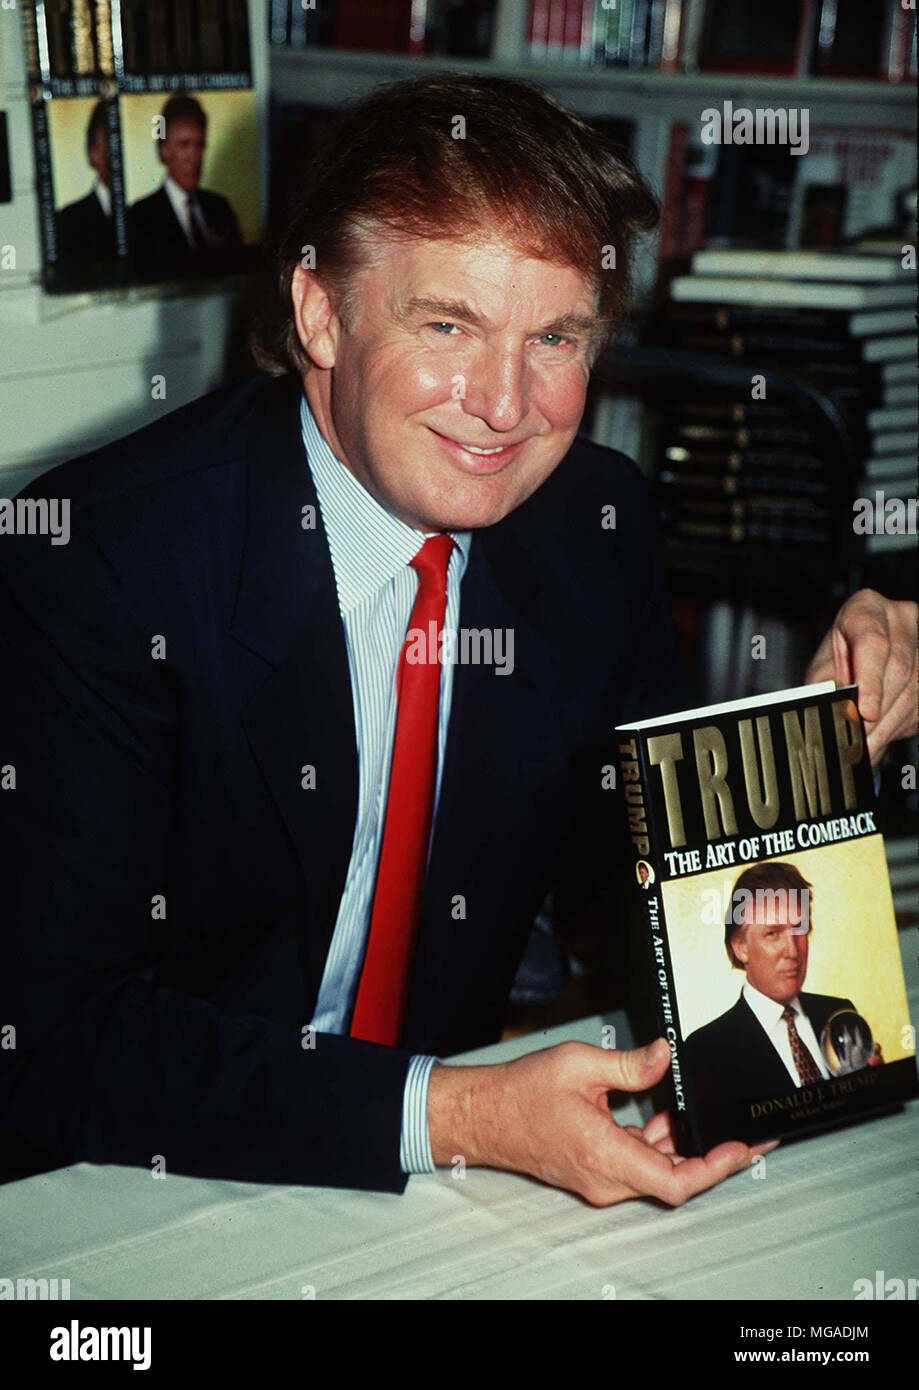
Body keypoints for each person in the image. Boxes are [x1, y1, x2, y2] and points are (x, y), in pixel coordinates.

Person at [1, 76, 916, 1208]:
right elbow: (49, 1041)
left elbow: (650, 896)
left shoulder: (592, 524)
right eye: (449, 325)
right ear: (321, 314)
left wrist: (826, 735)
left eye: (556, 337)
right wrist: (457, 1116)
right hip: (129, 1184)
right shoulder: (100, 565)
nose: (503, 401)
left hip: (448, 1199)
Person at [683, 863, 882, 1110]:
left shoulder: (839, 1011)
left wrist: (876, 1087)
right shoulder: (705, 1050)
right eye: (773, 933)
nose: (793, 950)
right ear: (740, 947)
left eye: (800, 928)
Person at [127, 94, 242, 281]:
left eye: (199, 145)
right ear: (164, 150)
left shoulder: (220, 208)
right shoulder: (140, 217)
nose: (193, 156)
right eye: (184, 145)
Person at [56, 100, 117, 274]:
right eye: (109, 142)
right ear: (93, 152)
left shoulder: (143, 213)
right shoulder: (69, 220)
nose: (117, 152)